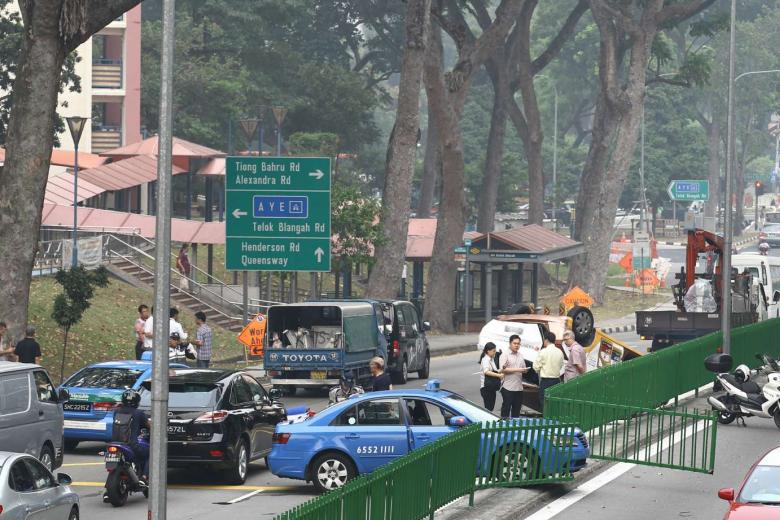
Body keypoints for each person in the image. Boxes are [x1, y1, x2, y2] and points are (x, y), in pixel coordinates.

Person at [111, 389, 150, 482]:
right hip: (132, 445)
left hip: (115, 444)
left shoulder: (116, 411)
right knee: (152, 454)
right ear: (137, 401)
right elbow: (150, 426)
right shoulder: (139, 413)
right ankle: (144, 477)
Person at [534, 331, 565, 412]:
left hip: (545, 381)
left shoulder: (543, 351)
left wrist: (540, 369)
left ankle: (546, 421)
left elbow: (535, 367)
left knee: (544, 403)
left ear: (546, 340)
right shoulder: (560, 352)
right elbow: (561, 365)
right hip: (557, 381)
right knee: (554, 404)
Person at [499, 334, 528, 419]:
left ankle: (514, 430)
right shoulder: (505, 355)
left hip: (519, 388)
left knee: (516, 412)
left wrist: (525, 370)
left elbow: (523, 368)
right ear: (510, 343)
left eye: (518, 344)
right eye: (514, 343)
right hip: (508, 387)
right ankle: (503, 429)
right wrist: (519, 370)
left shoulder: (521, 355)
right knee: (506, 411)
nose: (516, 345)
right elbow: (503, 369)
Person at [479, 342, 503, 412]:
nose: (495, 353)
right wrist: (498, 375)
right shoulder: (485, 360)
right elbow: (486, 371)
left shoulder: (491, 359)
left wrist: (502, 369)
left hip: (491, 387)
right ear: (488, 351)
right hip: (486, 388)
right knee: (488, 409)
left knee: (490, 408)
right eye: (493, 351)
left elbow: (494, 371)